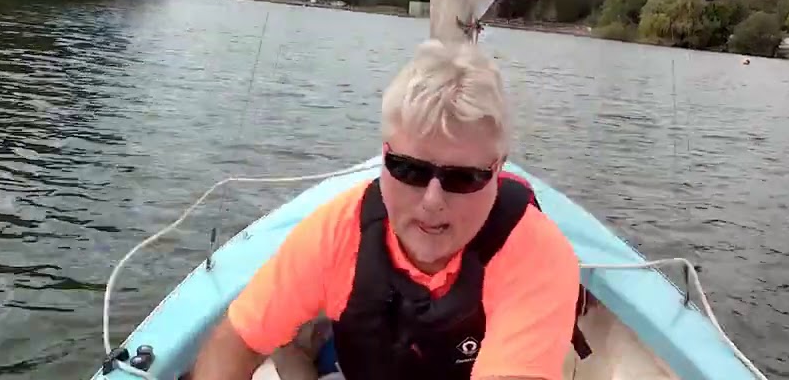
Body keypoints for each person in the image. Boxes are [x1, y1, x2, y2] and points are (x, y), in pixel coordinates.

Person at [191, 39, 583, 380]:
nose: (432, 200)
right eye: (409, 170)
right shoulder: (338, 232)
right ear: (385, 156)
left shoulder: (535, 255)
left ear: (498, 170)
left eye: (464, 178)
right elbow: (237, 340)